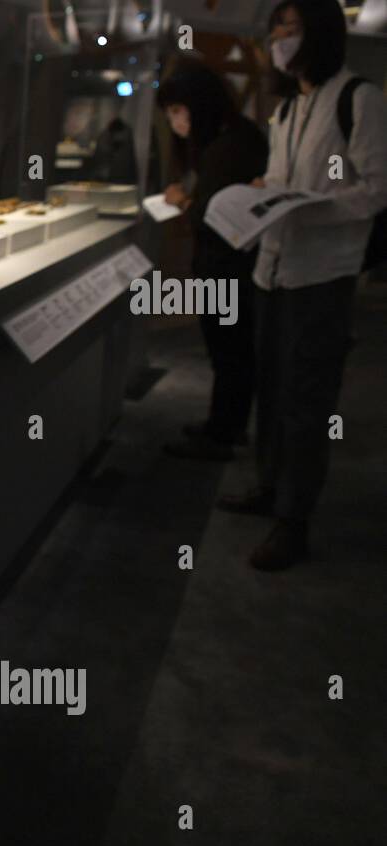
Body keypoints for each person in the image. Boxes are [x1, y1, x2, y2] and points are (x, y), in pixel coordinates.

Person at [218, 0, 387, 570]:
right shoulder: (288, 110)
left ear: (318, 31)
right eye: (275, 29)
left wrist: (309, 206)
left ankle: (295, 518)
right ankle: (270, 487)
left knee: (307, 402)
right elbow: (282, 180)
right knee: (272, 390)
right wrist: (264, 191)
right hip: (273, 270)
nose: (279, 38)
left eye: (289, 28)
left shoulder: (358, 98)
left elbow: (374, 188)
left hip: (322, 275)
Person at [157, 64, 269, 460]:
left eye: (176, 110)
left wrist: (182, 203)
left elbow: (214, 214)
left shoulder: (227, 145)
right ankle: (224, 427)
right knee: (230, 354)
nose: (174, 121)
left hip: (228, 268)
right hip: (231, 266)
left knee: (230, 355)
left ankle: (222, 434)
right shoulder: (234, 137)